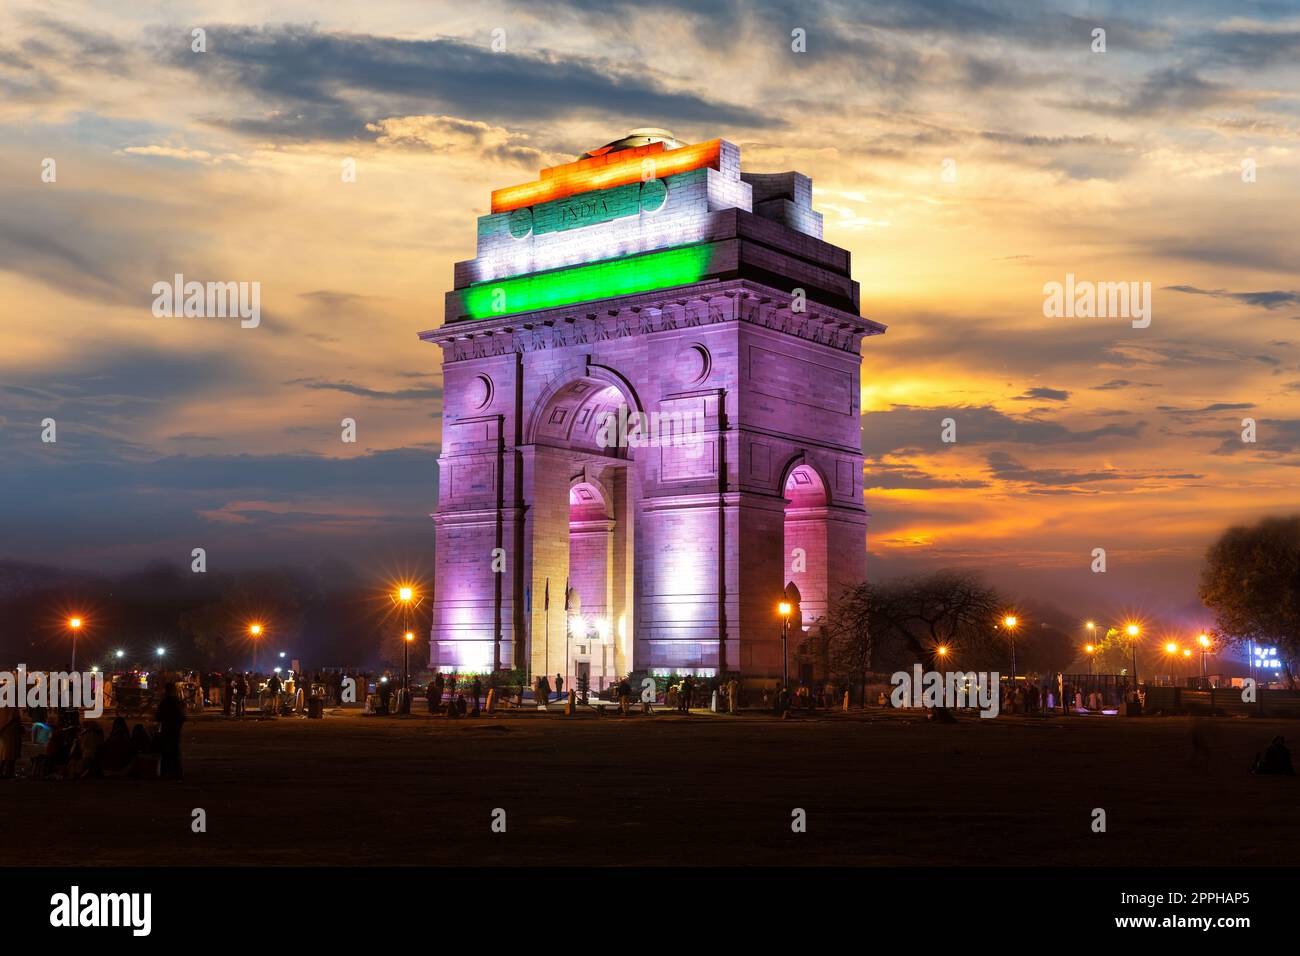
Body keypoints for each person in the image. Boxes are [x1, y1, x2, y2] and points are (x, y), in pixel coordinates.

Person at [155, 683, 187, 780]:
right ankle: (176, 773)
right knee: (175, 752)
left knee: (165, 752)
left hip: (167, 730)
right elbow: (182, 717)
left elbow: (158, 716)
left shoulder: (165, 701)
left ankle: (165, 773)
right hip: (175, 731)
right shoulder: (176, 701)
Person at [0, 701, 22, 779]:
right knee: (8, 753)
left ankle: (8, 772)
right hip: (9, 730)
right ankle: (8, 772)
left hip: (8, 730)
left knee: (7, 753)